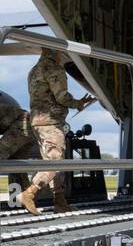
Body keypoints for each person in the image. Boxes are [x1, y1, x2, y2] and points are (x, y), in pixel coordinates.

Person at [19, 48, 94, 215]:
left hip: (38, 121)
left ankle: (59, 200)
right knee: (56, 161)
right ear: (56, 54)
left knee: (50, 163)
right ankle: (30, 192)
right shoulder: (53, 68)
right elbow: (61, 96)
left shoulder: (33, 70)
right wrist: (78, 104)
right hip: (51, 121)